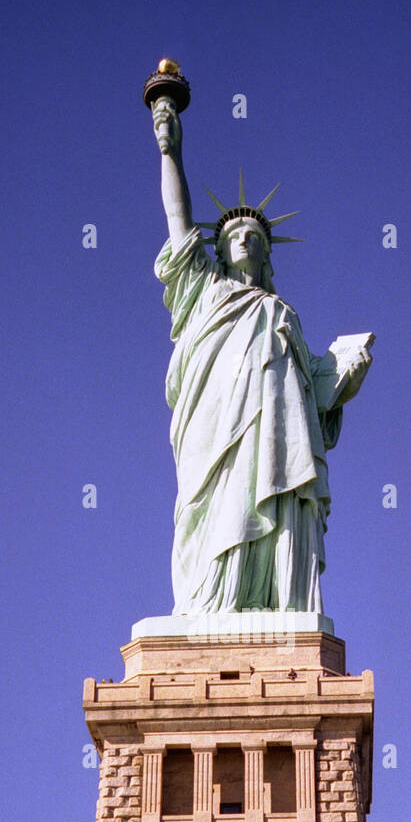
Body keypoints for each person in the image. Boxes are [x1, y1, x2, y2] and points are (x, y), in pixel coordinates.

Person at [151, 95, 372, 616]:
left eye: (253, 234)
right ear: (219, 250)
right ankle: (213, 604)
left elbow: (317, 391)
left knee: (281, 484)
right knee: (214, 507)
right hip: (214, 431)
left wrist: (346, 374)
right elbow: (178, 220)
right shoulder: (204, 291)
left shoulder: (283, 315)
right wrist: (170, 153)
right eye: (232, 235)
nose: (244, 238)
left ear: (268, 252)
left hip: (276, 433)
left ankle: (278, 602)